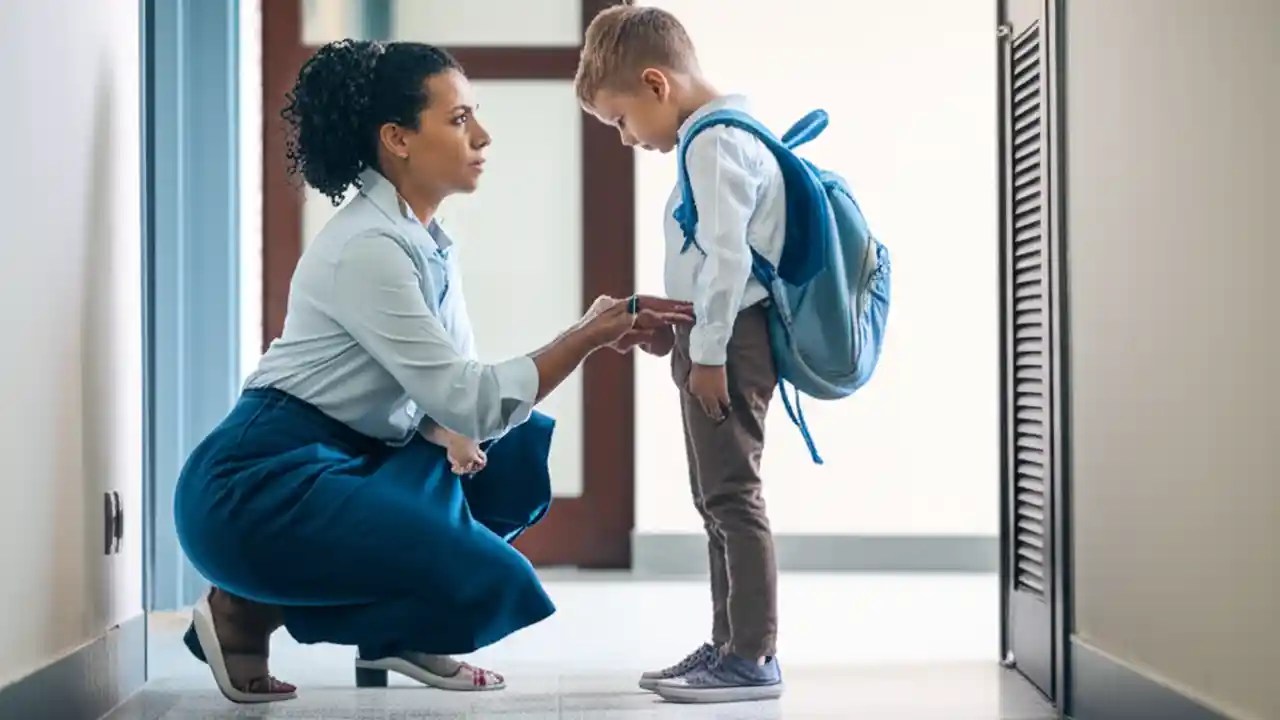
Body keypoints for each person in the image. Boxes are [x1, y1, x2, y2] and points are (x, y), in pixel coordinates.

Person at [173, 39, 693, 705]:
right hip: (253, 487)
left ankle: (397, 630)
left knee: (511, 454)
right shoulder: (369, 248)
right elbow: (471, 397)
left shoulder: (422, 242)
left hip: (340, 459)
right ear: (398, 139)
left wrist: (441, 424)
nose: (482, 135)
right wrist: (587, 335)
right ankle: (242, 607)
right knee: (471, 565)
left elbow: (453, 392)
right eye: (458, 120)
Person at [575, 5, 787, 704]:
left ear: (656, 85)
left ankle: (751, 656)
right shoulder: (714, 135)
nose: (625, 137)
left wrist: (711, 353)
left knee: (732, 496)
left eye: (620, 119)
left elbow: (729, 262)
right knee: (715, 497)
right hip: (712, 338)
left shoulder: (714, 142)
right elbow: (709, 256)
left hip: (729, 342)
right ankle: (729, 643)